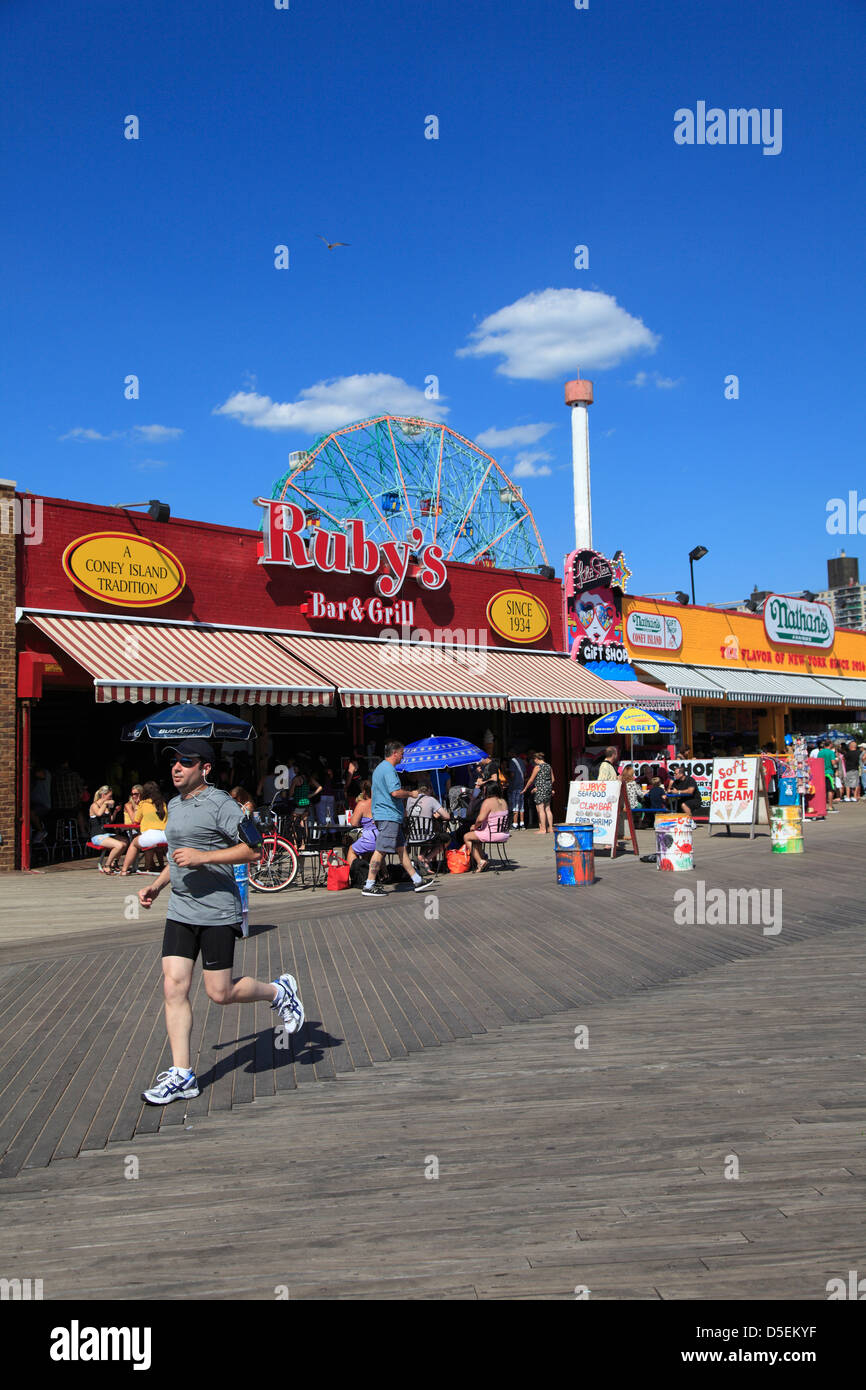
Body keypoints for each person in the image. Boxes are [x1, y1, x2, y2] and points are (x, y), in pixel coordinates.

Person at [138, 739, 304, 1106]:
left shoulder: (221, 804)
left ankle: (279, 992)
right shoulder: (176, 806)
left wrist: (204, 857)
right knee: (173, 988)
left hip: (216, 911)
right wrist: (156, 884)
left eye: (186, 762)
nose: (176, 768)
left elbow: (254, 848)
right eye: (174, 762)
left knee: (219, 993)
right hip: (180, 910)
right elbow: (179, 858)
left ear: (205, 768)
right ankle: (183, 1075)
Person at [361, 741, 437, 897]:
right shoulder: (388, 769)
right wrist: (411, 793)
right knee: (381, 849)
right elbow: (395, 792)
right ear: (395, 753)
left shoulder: (379, 769)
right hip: (388, 815)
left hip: (387, 815)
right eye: (402, 753)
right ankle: (369, 885)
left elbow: (379, 793)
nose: (403, 756)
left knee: (401, 850)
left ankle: (417, 880)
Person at [121, 780, 168, 875]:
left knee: (134, 843)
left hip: (151, 835)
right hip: (165, 836)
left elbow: (136, 820)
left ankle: (124, 870)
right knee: (150, 845)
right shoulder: (162, 803)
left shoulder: (143, 803)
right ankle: (150, 866)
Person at [463, 777, 510, 873]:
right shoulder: (503, 801)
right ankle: (484, 858)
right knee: (476, 837)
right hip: (503, 833)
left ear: (488, 790)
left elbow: (480, 819)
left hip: (492, 834)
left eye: (484, 789)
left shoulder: (488, 802)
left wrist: (474, 827)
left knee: (467, 836)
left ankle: (480, 861)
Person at [406, 780, 451, 872]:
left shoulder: (409, 799)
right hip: (426, 835)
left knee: (429, 834)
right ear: (429, 789)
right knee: (447, 838)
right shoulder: (431, 800)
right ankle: (427, 859)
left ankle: (421, 856)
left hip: (412, 836)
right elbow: (447, 816)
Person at [88, 785, 128, 873]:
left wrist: (115, 812)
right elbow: (98, 814)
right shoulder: (94, 805)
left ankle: (115, 862)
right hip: (98, 835)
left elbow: (110, 820)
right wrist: (105, 803)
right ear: (103, 795)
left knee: (124, 841)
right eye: (109, 796)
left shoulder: (106, 807)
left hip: (107, 833)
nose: (111, 798)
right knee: (119, 845)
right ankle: (107, 865)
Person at [346, 779, 378, 872]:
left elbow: (353, 823)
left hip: (371, 837)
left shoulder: (362, 804)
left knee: (351, 849)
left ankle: (349, 876)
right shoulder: (380, 802)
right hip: (383, 837)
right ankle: (382, 874)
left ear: (363, 791)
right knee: (369, 850)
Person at [523, 751, 554, 835]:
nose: (534, 762)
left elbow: (531, 780)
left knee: (541, 809)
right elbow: (553, 779)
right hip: (548, 789)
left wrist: (525, 788)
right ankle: (550, 828)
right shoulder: (548, 766)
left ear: (536, 759)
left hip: (540, 789)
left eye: (534, 760)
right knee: (547, 808)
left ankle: (543, 829)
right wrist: (548, 787)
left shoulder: (537, 767)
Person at [816, 740, 839, 812]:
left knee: (823, 790)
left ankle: (822, 806)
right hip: (829, 772)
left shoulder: (820, 752)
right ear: (830, 744)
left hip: (821, 772)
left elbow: (818, 761)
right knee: (830, 789)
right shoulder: (831, 752)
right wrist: (836, 763)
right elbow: (833, 762)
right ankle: (830, 806)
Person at [506, 749, 526, 830]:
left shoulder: (512, 761)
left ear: (512, 753)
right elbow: (525, 774)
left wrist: (507, 774)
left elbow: (512, 774)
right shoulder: (521, 761)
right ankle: (522, 823)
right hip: (521, 785)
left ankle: (514, 824)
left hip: (514, 786)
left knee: (515, 805)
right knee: (521, 805)